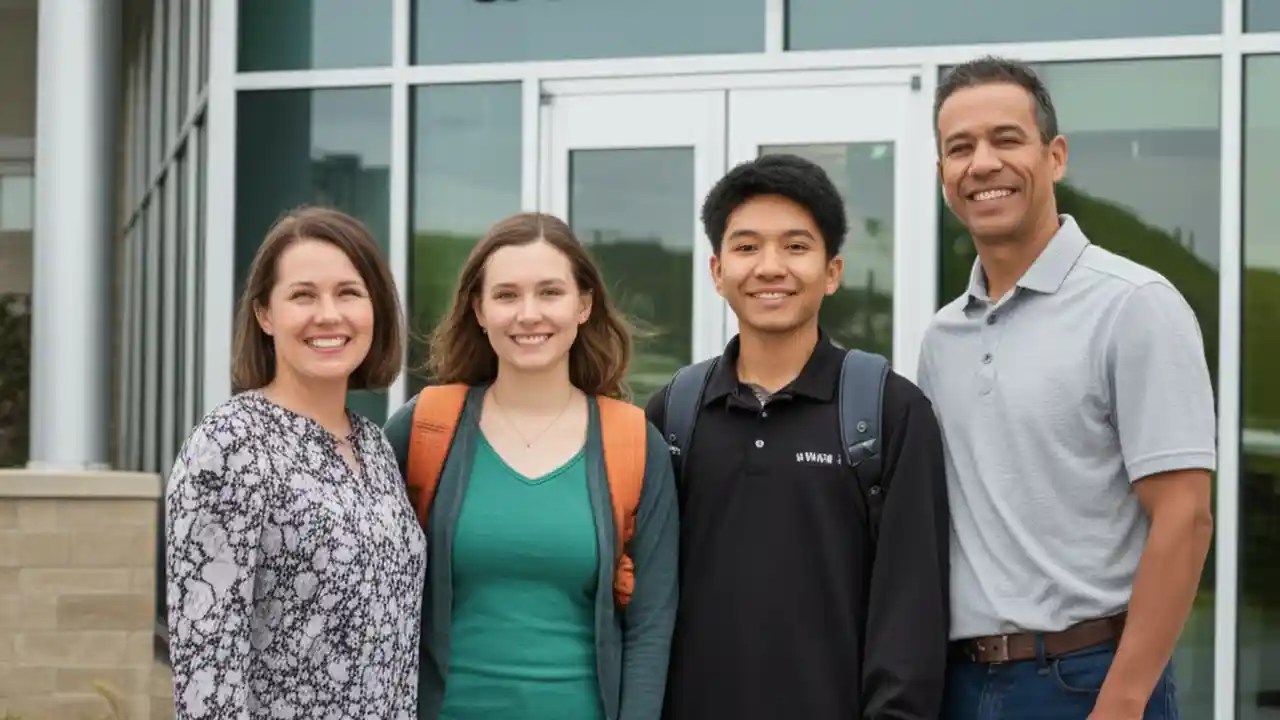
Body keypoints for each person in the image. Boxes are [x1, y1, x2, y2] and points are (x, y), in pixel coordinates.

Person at [921, 56, 1216, 720]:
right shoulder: (941, 339)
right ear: (943, 175)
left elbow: (1185, 516)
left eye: (1006, 139)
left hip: (1086, 682)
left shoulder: (1135, 306)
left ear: (1055, 157)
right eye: (959, 148)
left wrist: (1126, 696)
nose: (982, 163)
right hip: (960, 683)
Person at [644, 153, 950, 720]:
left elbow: (912, 617)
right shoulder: (674, 414)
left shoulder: (888, 411)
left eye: (795, 246)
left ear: (832, 271)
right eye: (746, 247)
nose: (769, 267)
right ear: (716, 271)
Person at [383, 211, 679, 720]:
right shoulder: (424, 429)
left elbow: (652, 625)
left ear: (583, 305)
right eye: (506, 295)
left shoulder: (633, 442)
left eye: (549, 292)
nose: (528, 314)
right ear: (478, 309)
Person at [165, 206, 426, 719]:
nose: (328, 314)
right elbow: (207, 663)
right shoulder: (231, 443)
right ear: (265, 314)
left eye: (348, 292)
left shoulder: (375, 446)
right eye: (303, 295)